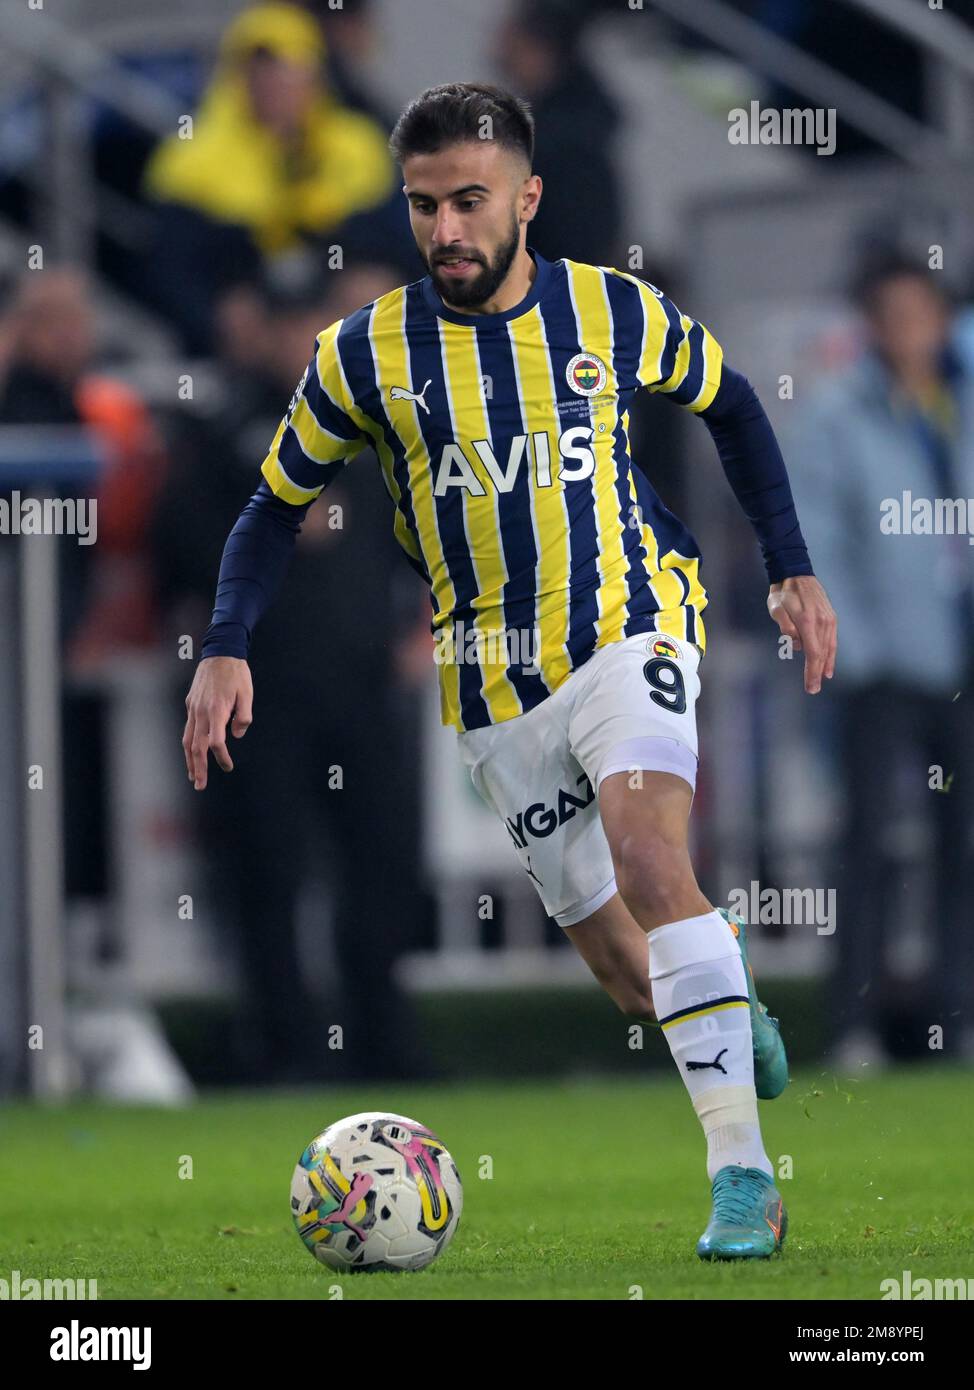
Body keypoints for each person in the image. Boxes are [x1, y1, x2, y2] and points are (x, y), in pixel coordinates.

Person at [182, 83, 836, 1260]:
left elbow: (732, 407)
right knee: (633, 980)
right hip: (491, 689)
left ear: (525, 199)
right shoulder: (361, 353)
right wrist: (224, 644)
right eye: (425, 205)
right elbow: (269, 510)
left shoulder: (611, 312)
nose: (446, 232)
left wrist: (789, 567)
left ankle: (744, 1179)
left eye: (469, 202)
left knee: (650, 856)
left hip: (632, 621)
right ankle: (722, 987)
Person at [784, 253, 974, 1069]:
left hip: (959, 661)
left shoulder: (958, 402)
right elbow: (820, 537)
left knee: (960, 845)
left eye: (922, 313)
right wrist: (852, 648)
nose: (910, 331)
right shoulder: (838, 414)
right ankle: (854, 1025)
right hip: (879, 667)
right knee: (864, 845)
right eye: (892, 314)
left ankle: (957, 1017)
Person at [141, 3, 394, 352]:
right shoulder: (191, 160)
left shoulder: (356, 145)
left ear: (314, 78)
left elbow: (395, 238)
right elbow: (173, 268)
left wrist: (327, 238)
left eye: (288, 72)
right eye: (260, 73)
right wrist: (217, 317)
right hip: (256, 308)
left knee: (367, 292)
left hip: (330, 295)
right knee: (260, 323)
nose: (274, 86)